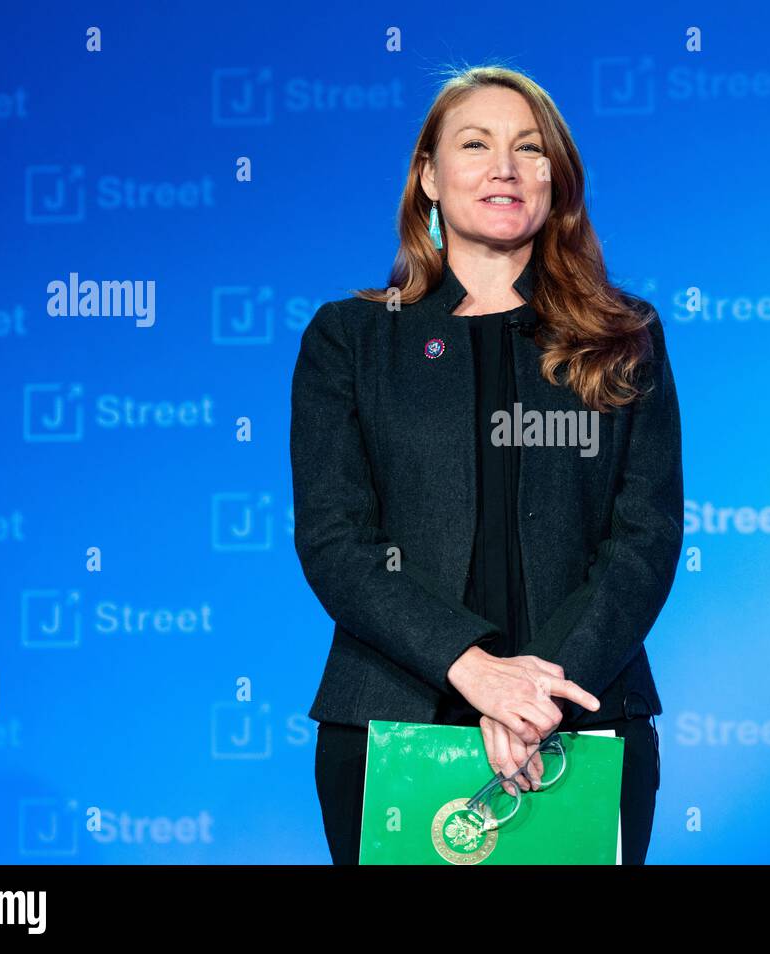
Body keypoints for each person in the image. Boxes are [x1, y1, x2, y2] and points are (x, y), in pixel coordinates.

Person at [290, 64, 683, 865]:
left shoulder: (624, 333)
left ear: (556, 181)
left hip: (582, 717)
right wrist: (477, 674)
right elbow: (335, 541)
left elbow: (644, 539)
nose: (505, 167)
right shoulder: (350, 339)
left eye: (529, 149)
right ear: (428, 176)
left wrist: (535, 692)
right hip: (391, 721)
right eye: (475, 144)